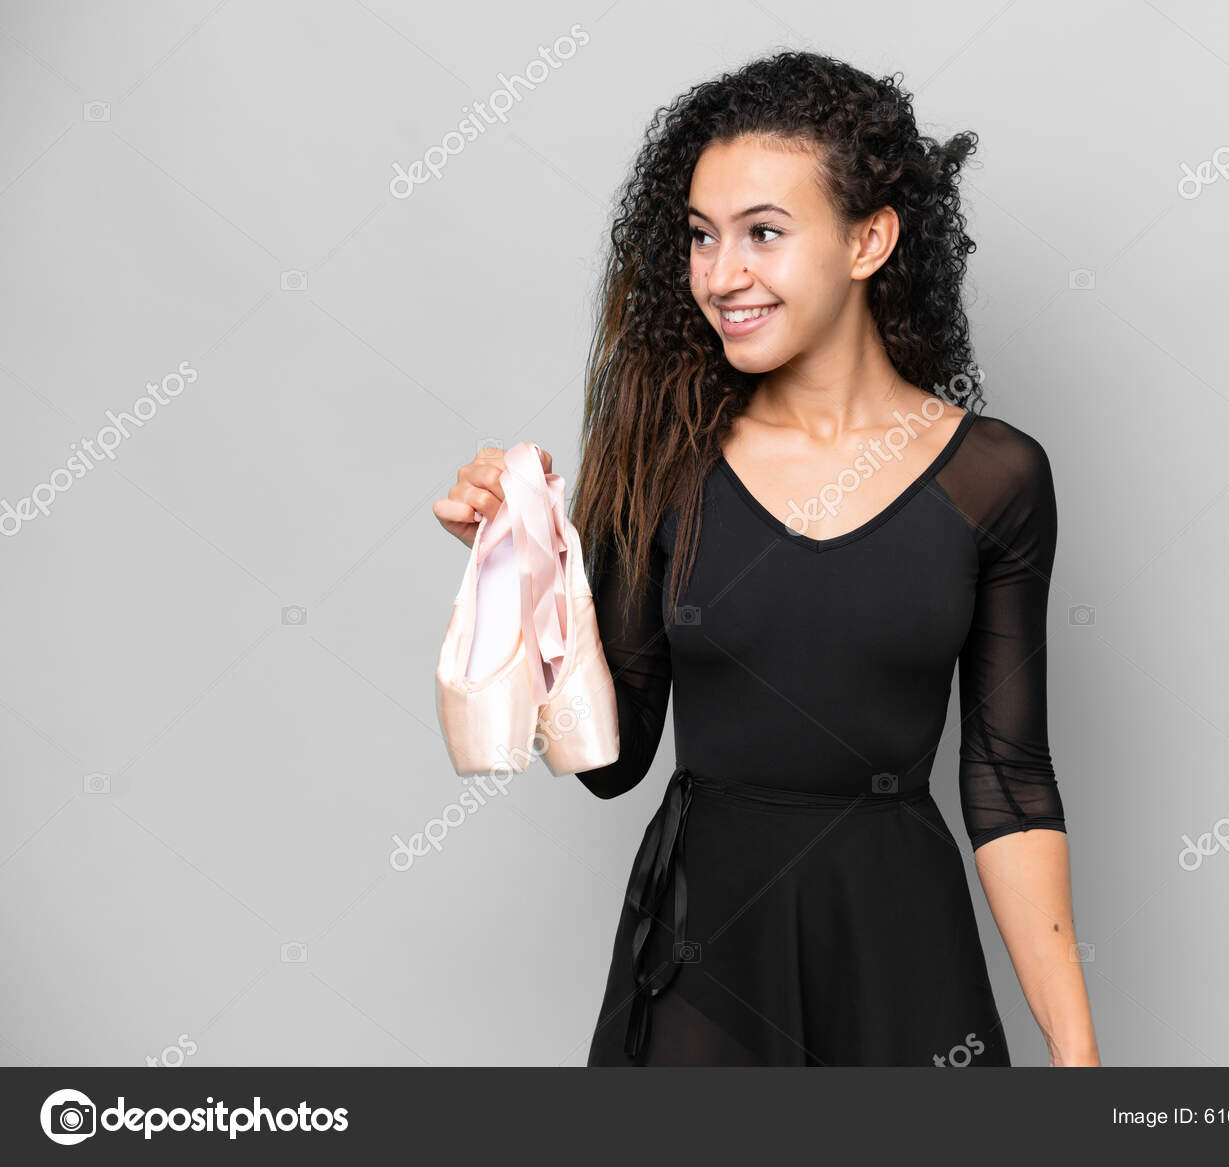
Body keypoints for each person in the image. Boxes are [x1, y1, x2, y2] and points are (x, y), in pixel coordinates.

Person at [434, 50, 1099, 1067]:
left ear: (869, 239)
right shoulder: (665, 460)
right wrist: (523, 570)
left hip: (902, 957)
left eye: (763, 233)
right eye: (701, 236)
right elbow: (611, 762)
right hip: (704, 965)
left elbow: (1008, 781)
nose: (719, 275)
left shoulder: (995, 478)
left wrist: (1076, 1052)